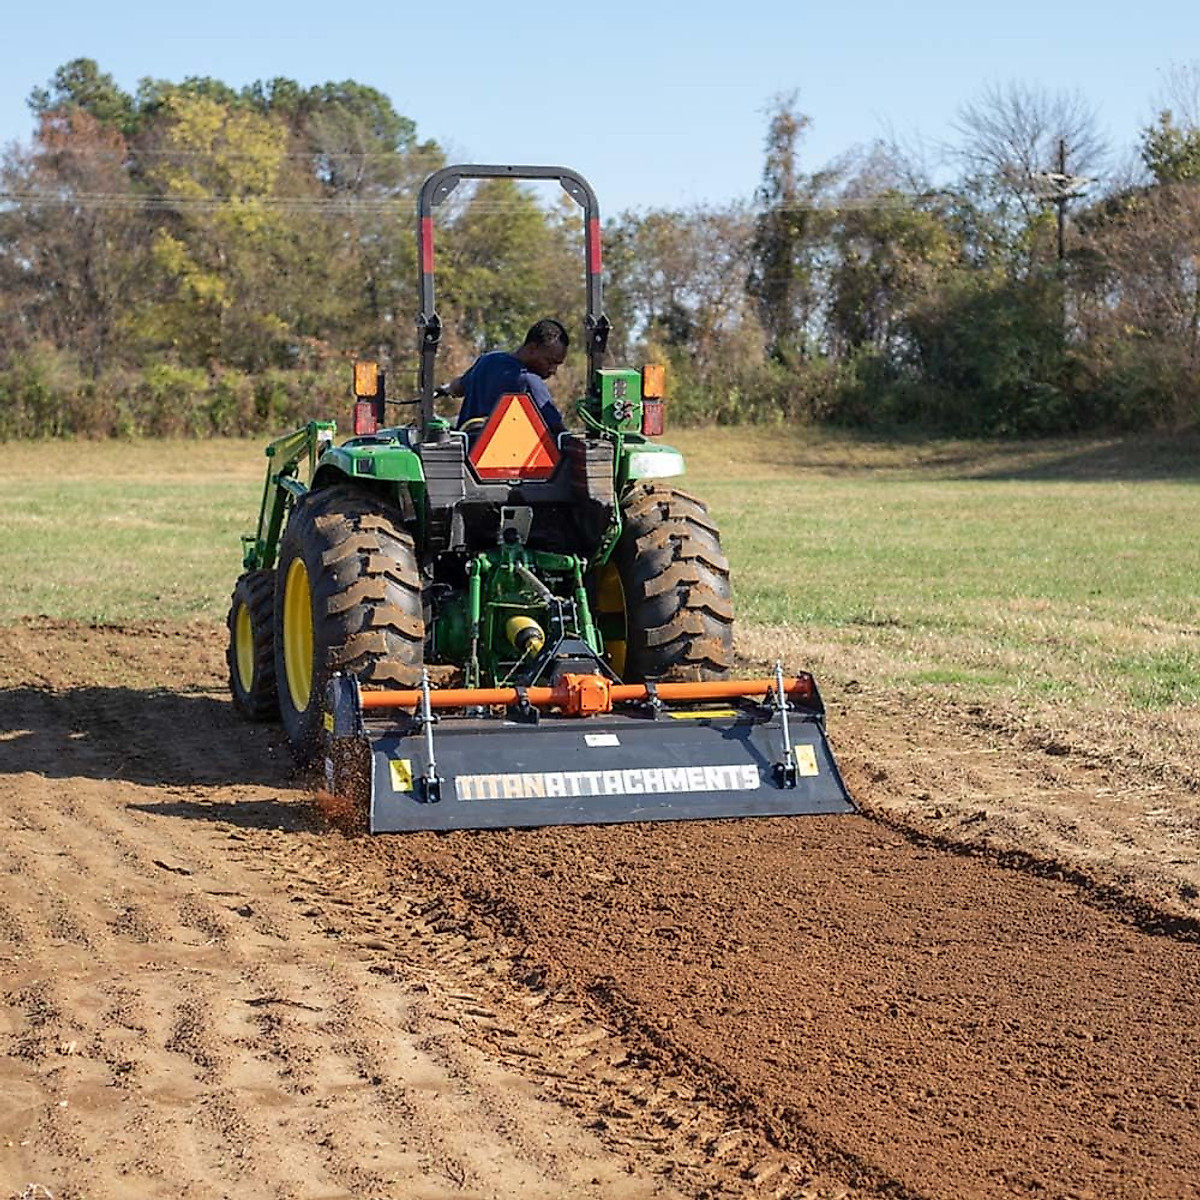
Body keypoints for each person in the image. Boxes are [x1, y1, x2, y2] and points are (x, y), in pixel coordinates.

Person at [442, 319, 569, 436]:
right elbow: (559, 431)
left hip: (466, 453)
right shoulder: (528, 381)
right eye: (550, 362)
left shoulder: (488, 361)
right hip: (505, 457)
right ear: (532, 348)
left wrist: (445, 390)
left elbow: (457, 387)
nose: (553, 370)